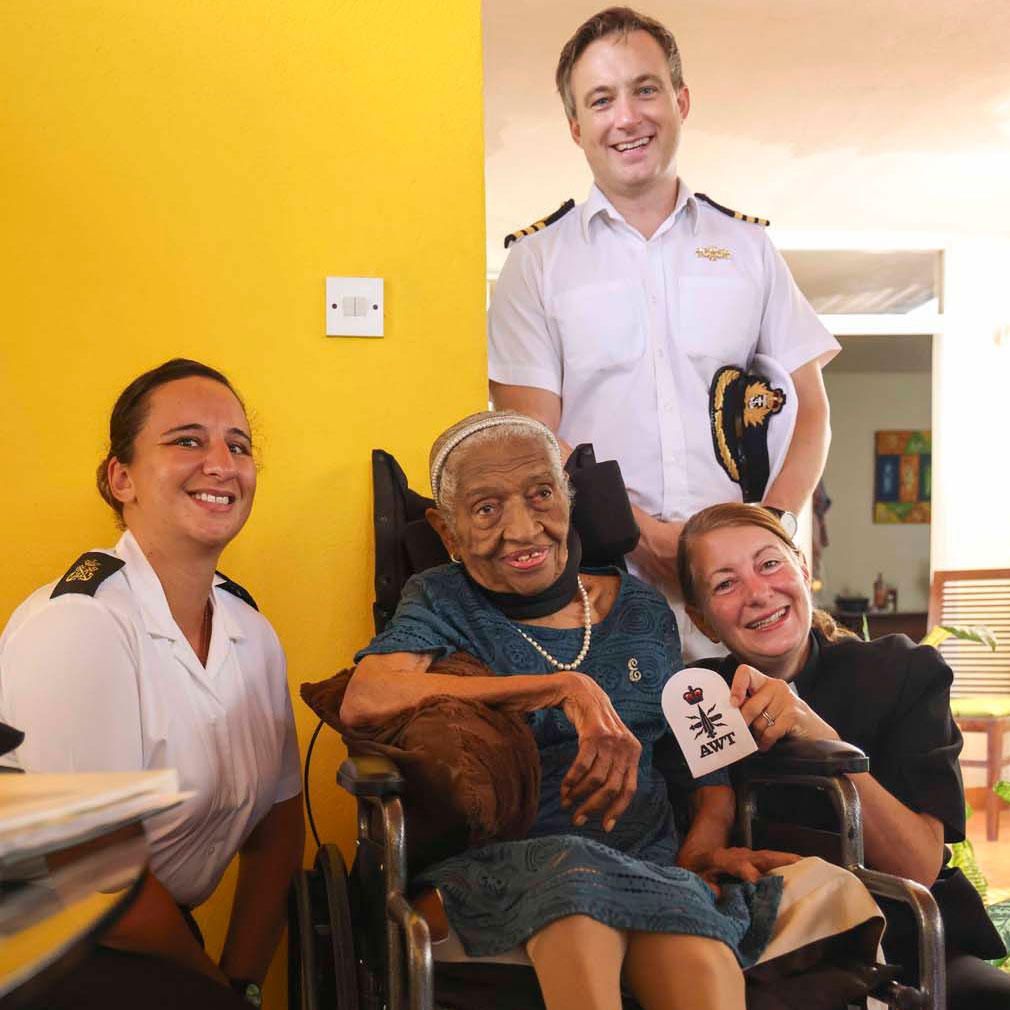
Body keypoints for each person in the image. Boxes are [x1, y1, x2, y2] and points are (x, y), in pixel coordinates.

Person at [339, 409, 881, 1010]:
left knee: (695, 947)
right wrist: (559, 687)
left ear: (568, 498)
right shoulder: (441, 597)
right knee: (578, 894)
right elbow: (367, 699)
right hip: (507, 866)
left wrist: (702, 842)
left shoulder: (641, 610)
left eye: (541, 494)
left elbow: (698, 750)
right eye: (486, 509)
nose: (522, 530)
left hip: (645, 861)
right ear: (446, 531)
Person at [488, 6, 839, 660]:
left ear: (680, 100)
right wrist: (642, 536)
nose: (627, 116)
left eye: (645, 89)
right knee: (629, 759)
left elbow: (812, 407)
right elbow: (530, 436)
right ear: (576, 127)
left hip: (743, 601)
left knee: (759, 756)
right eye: (601, 100)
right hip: (605, 583)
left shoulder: (747, 248)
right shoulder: (536, 262)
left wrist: (774, 531)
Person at [0, 359, 304, 1009]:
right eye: (187, 440)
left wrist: (243, 980)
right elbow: (100, 879)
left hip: (144, 941)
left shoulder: (254, 634)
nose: (221, 463)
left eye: (238, 445)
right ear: (122, 478)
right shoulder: (79, 621)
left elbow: (278, 831)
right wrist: (211, 985)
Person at [677, 502, 1010, 1010]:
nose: (758, 592)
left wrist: (818, 732)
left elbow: (918, 863)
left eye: (769, 564)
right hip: (773, 946)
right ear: (703, 620)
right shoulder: (695, 703)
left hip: (904, 938)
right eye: (725, 583)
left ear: (803, 571)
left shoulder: (903, 673)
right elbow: (701, 847)